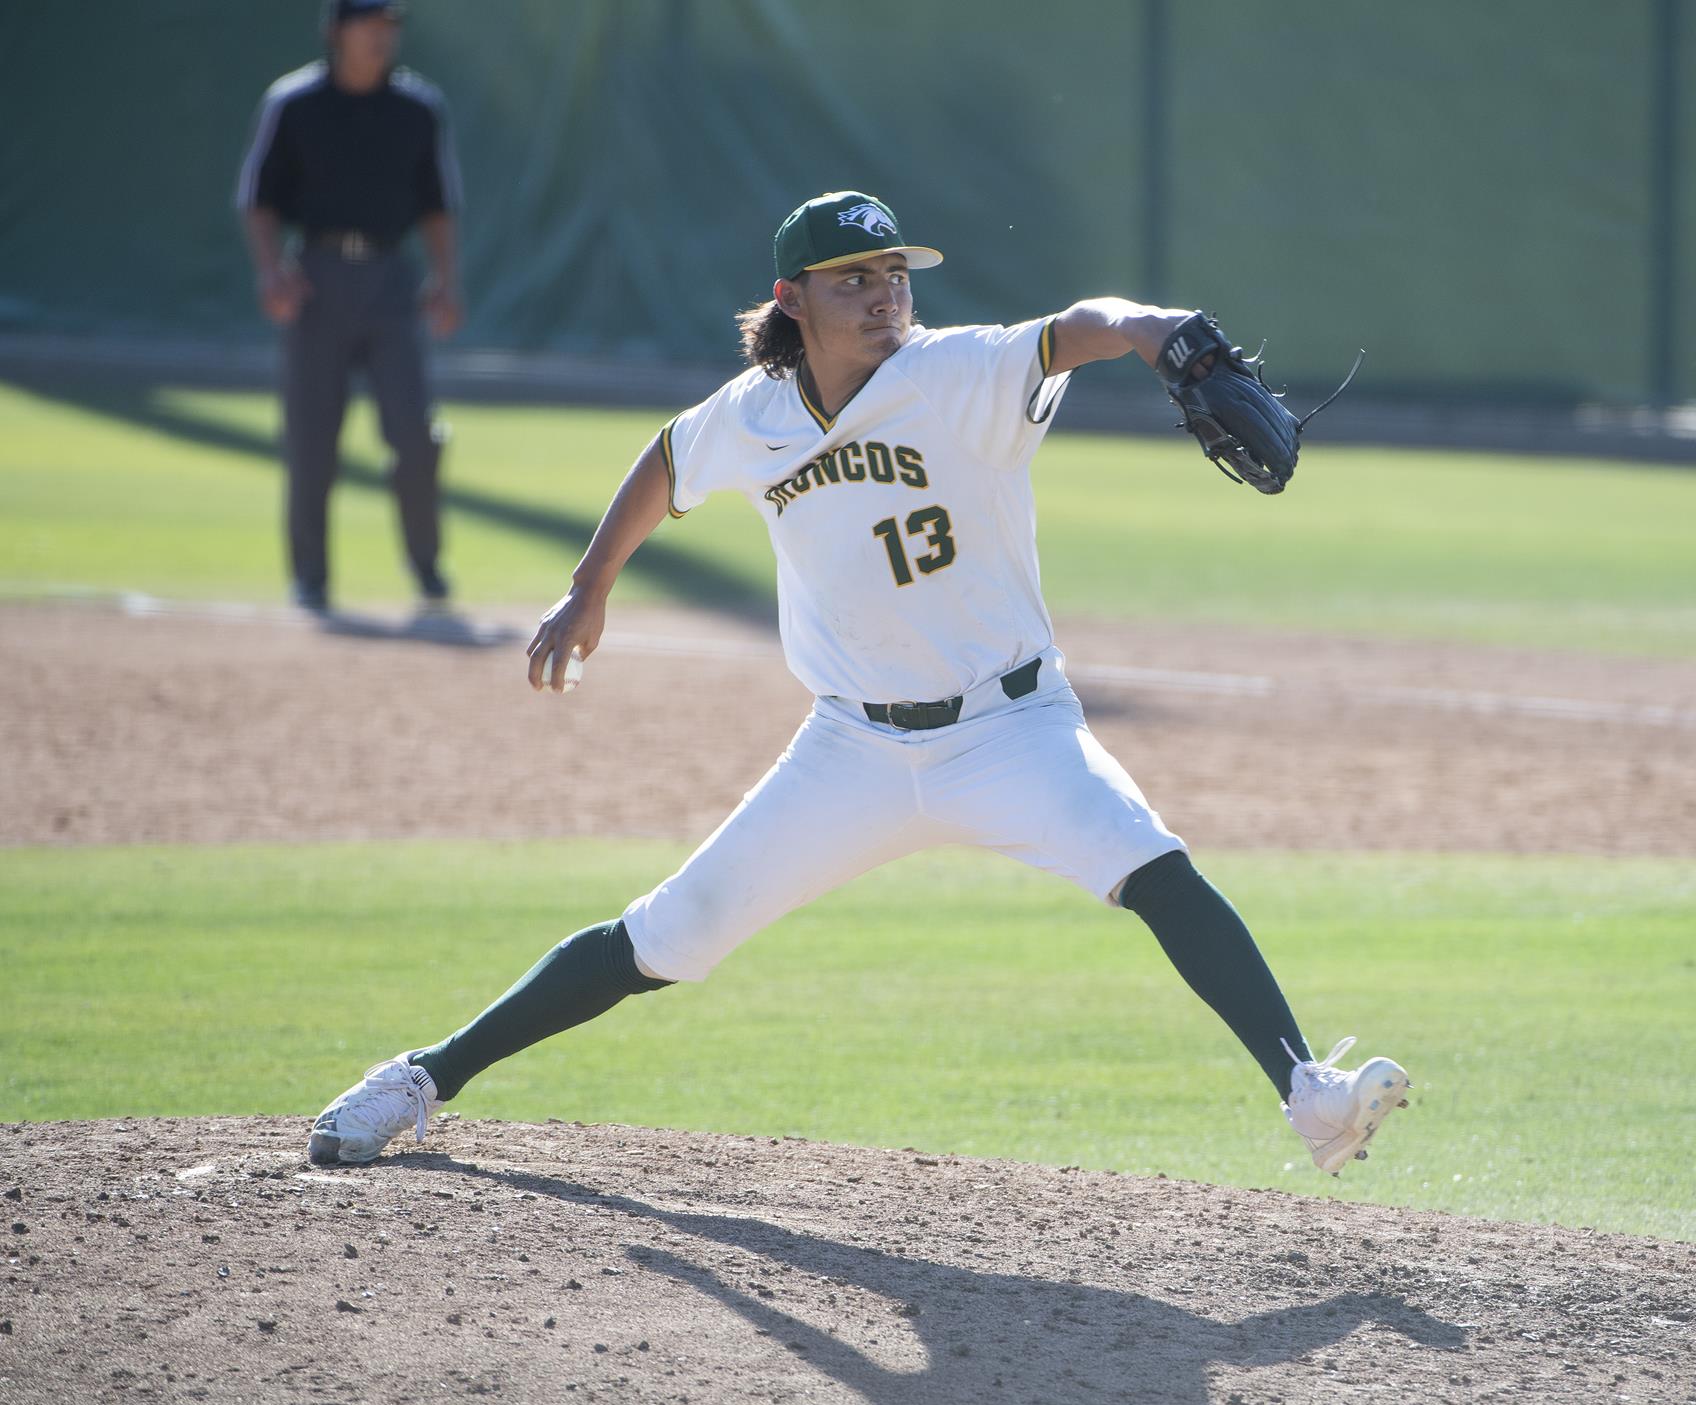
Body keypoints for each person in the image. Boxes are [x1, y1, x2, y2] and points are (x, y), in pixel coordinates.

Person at [306, 191, 1408, 1178]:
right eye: (854, 280)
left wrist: (1163, 332)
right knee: (669, 933)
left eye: (893, 275)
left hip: (1012, 727)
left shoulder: (957, 371)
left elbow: (1082, 327)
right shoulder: (756, 411)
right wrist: (588, 585)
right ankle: (424, 1075)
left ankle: (1307, 1093)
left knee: (1151, 862)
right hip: (851, 750)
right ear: (792, 299)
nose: (884, 295)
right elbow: (667, 461)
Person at [234, 0, 463, 614]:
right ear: (337, 30)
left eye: (391, 25)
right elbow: (258, 199)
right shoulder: (294, 103)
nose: (382, 36)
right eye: (370, 23)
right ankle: (310, 578)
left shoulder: (418, 108)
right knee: (312, 438)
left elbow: (437, 205)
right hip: (317, 278)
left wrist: (445, 280)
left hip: (391, 280)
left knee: (414, 434)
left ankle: (427, 567)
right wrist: (270, 272)